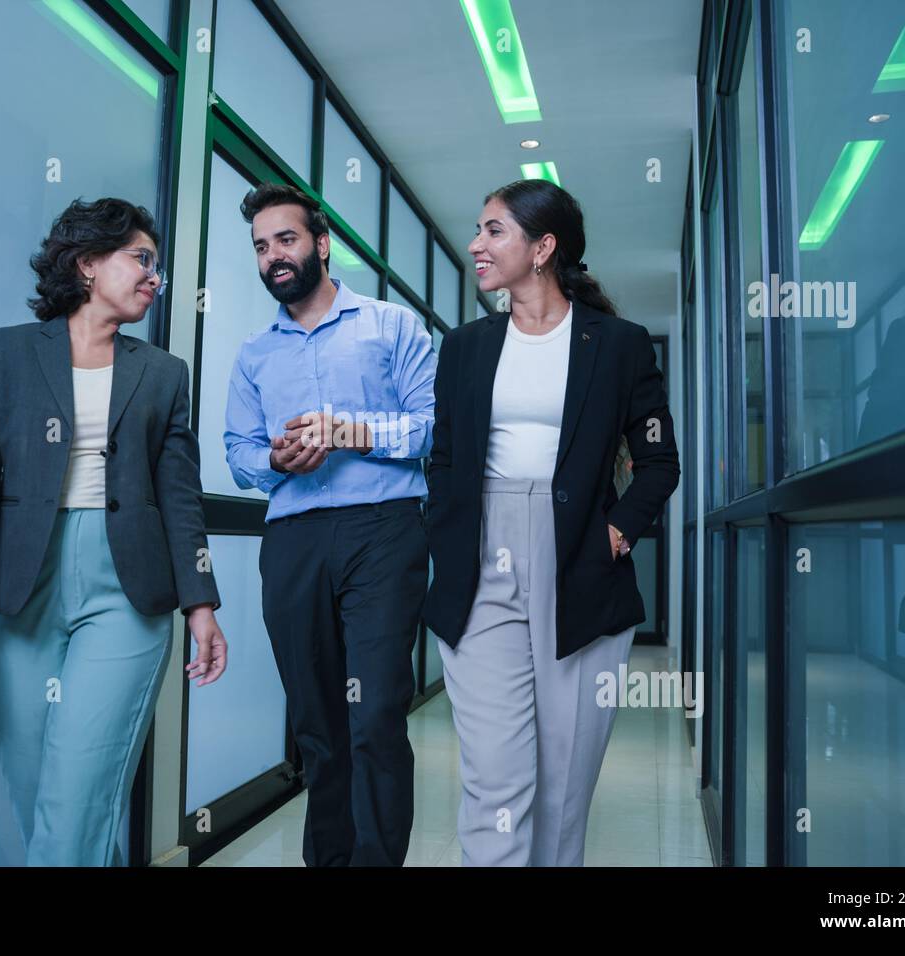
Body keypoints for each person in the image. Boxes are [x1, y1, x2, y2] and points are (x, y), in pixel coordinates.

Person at [0, 197, 227, 866]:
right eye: (141, 260)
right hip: (21, 583)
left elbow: (179, 496)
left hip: (127, 589)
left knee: (80, 790)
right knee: (40, 785)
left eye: (159, 265)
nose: (156, 276)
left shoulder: (162, 373)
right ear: (88, 264)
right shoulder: (2, 354)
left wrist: (202, 604)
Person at [424, 179, 679, 866]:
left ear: (543, 248)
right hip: (481, 560)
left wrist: (616, 533)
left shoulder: (619, 345)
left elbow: (659, 463)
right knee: (494, 779)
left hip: (581, 560)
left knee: (563, 785)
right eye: (477, 230)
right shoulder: (465, 347)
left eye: (494, 231)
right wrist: (447, 534)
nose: (476, 244)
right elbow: (444, 458)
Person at [223, 182, 436, 866]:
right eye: (261, 247)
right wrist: (275, 458)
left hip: (383, 531)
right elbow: (239, 453)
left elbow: (434, 427)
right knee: (317, 726)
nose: (273, 257)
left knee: (373, 715)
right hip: (293, 540)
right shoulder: (255, 354)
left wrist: (350, 430)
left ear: (321, 244)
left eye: (285, 240)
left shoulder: (392, 325)